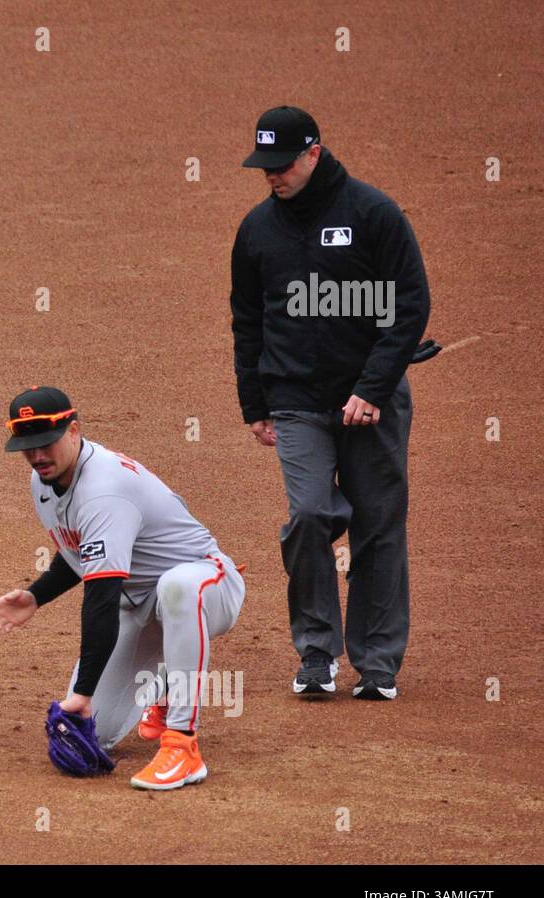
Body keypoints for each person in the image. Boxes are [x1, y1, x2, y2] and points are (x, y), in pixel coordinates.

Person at [231, 106, 431, 701]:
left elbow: (410, 306)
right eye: (264, 165)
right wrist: (255, 402)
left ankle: (376, 663)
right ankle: (318, 652)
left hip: (372, 399)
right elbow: (247, 320)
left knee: (377, 527)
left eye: (283, 163)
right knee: (312, 515)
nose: (273, 175)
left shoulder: (373, 214)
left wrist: (371, 389)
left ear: (315, 153)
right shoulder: (257, 229)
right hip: (296, 402)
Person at [0, 387, 246, 790]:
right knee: (98, 732)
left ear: (73, 431)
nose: (38, 456)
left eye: (46, 444)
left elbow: (101, 597)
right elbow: (85, 553)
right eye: (28, 447)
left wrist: (82, 694)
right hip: (138, 604)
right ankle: (163, 680)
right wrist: (37, 595)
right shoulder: (43, 482)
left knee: (175, 588)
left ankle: (182, 745)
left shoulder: (104, 488)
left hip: (207, 585)